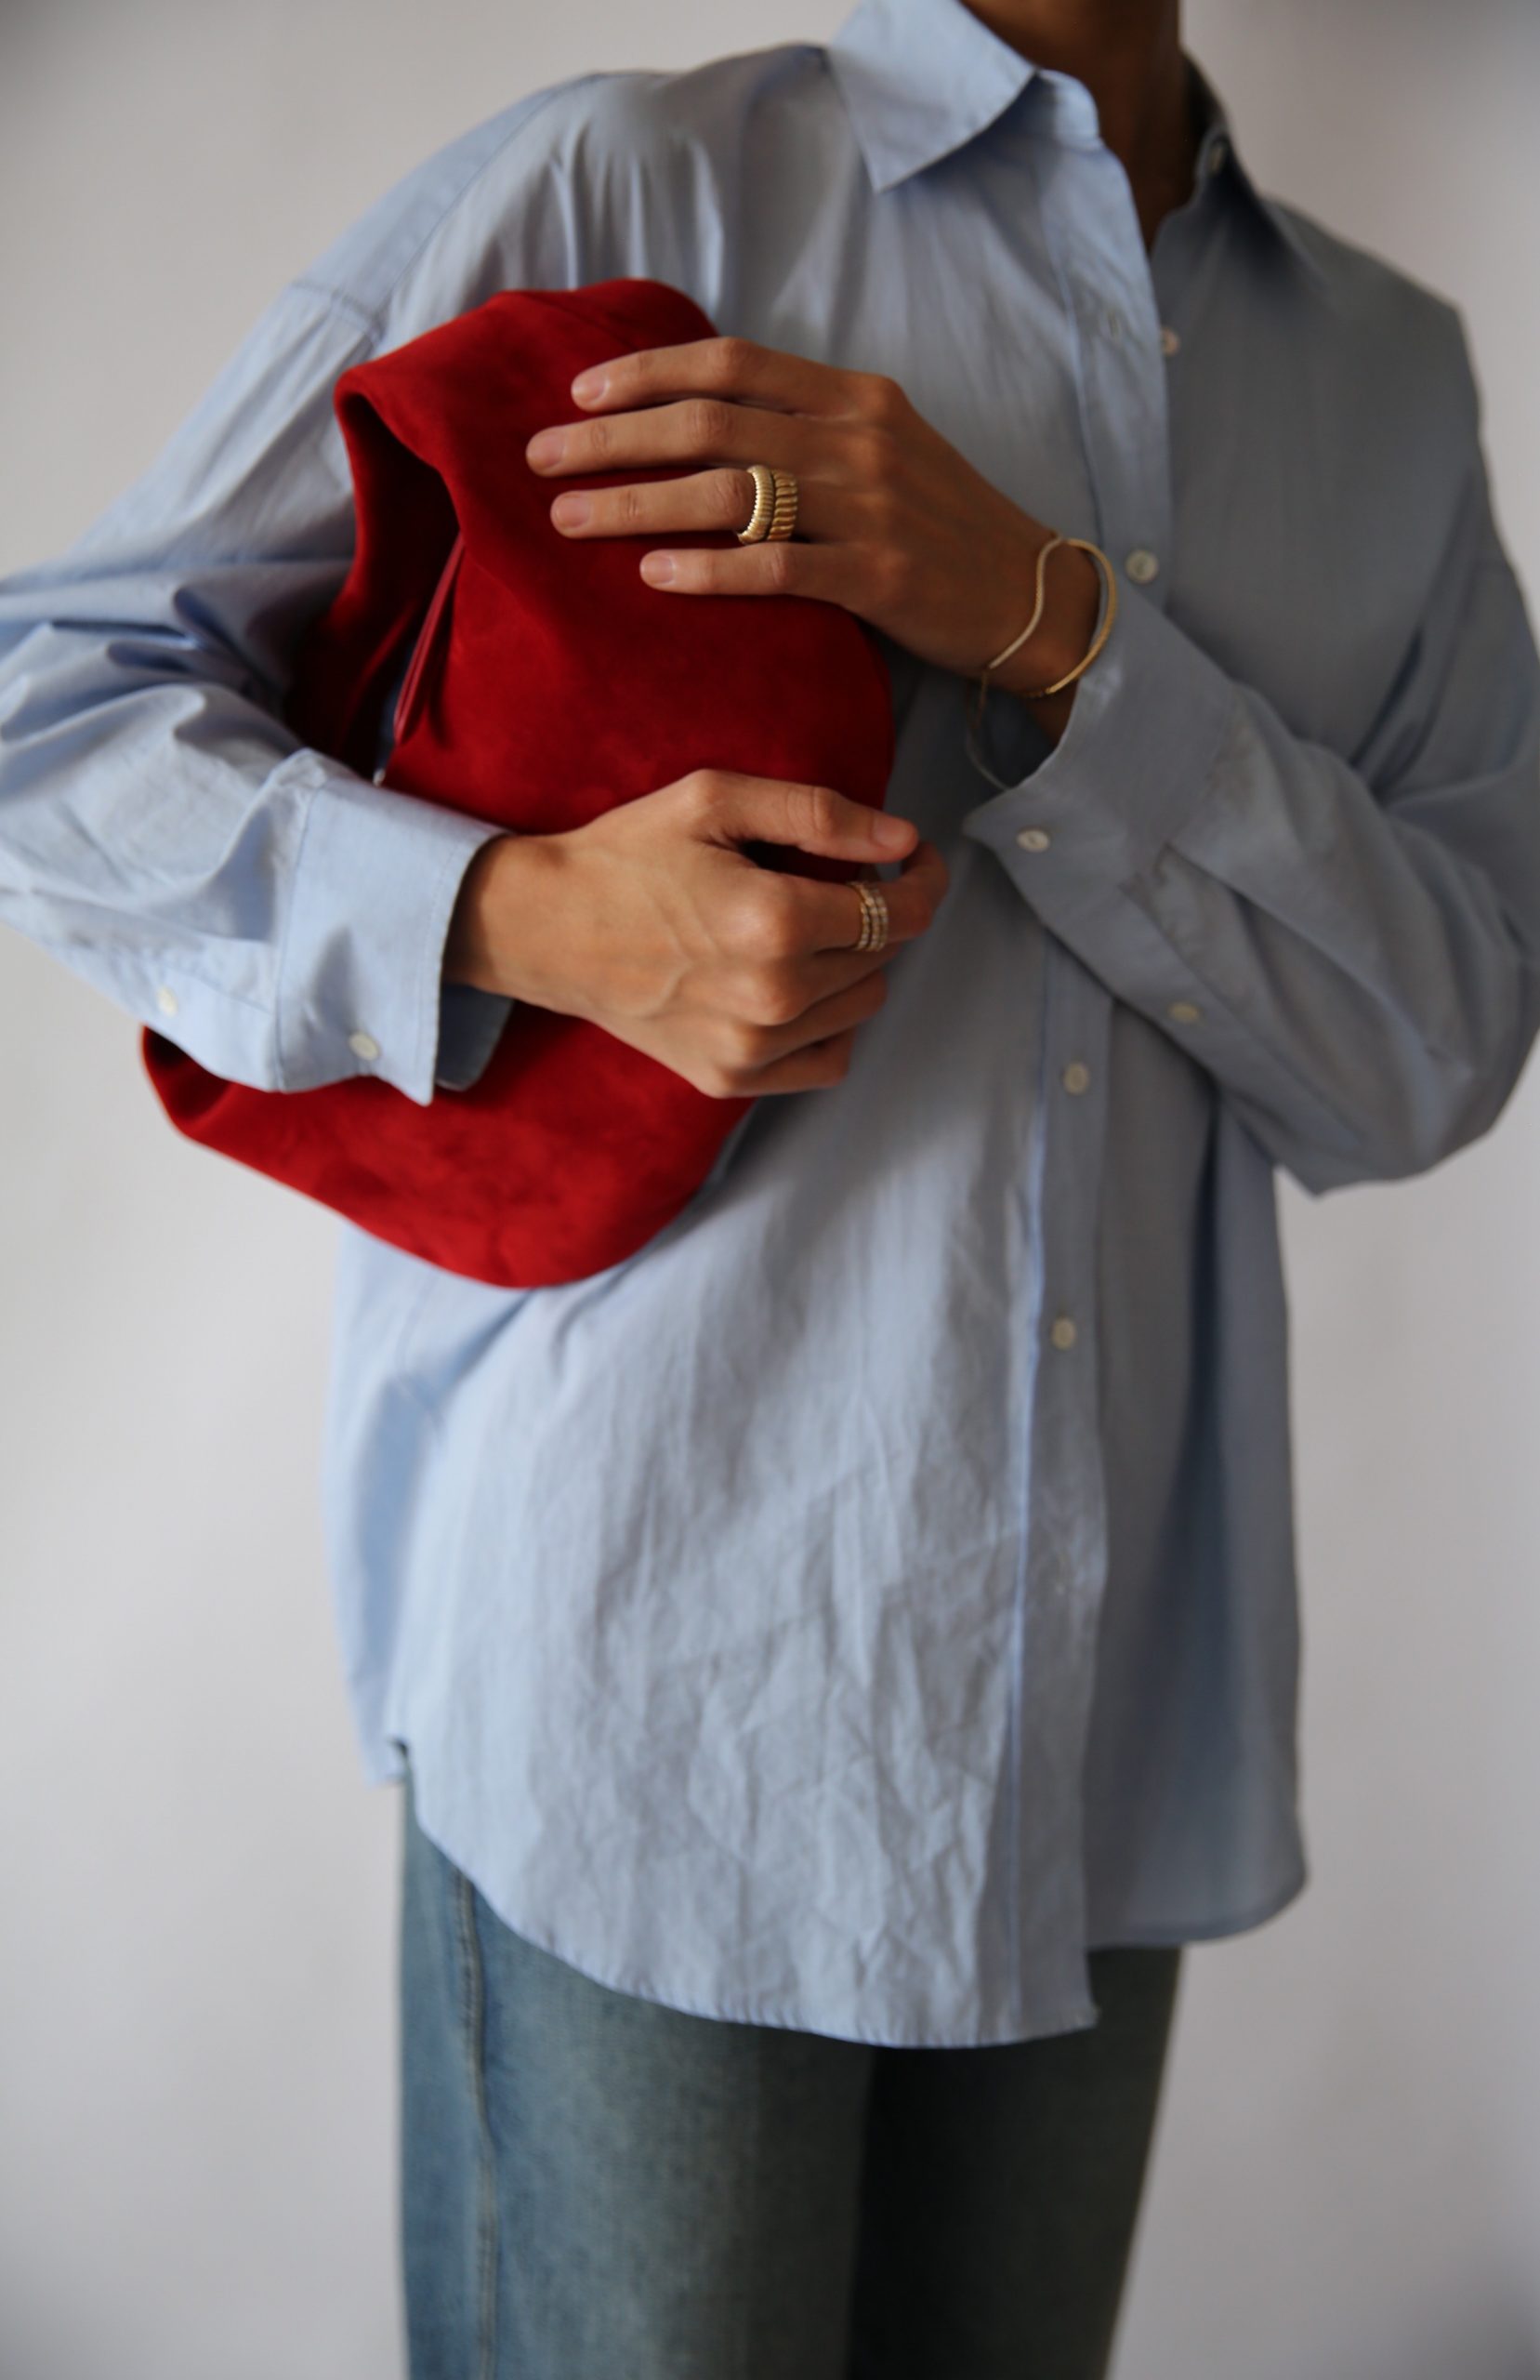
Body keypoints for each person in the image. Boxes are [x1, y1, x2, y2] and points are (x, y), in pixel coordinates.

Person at [3, 0, 1538, 2371]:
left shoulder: (1392, 381)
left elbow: (1436, 1037)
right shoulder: (618, 196)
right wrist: (524, 917)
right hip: (641, 1718)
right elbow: (60, 723)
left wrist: (1057, 628)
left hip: (1099, 1734)